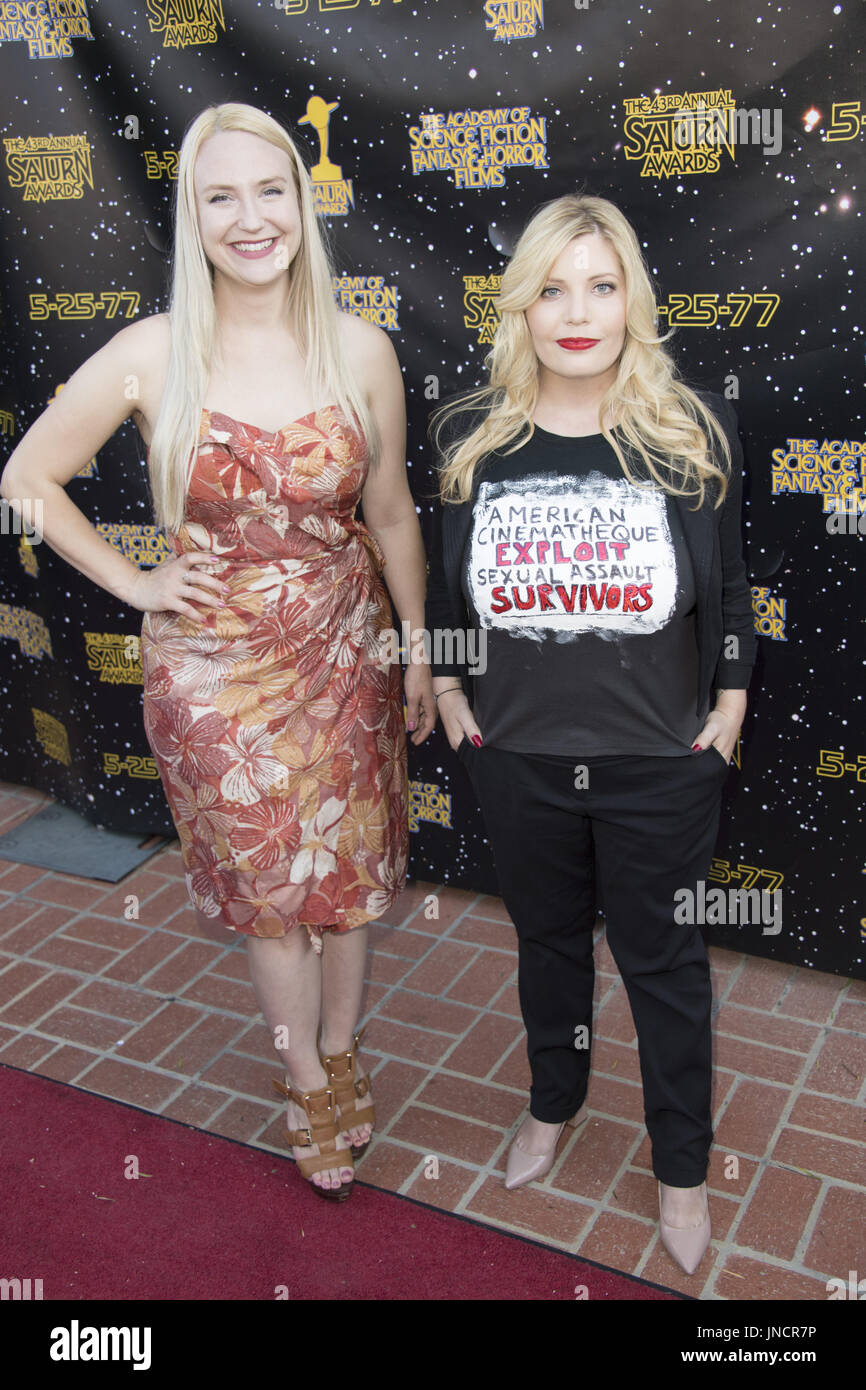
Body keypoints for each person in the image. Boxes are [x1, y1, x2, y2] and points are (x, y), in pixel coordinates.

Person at [0, 102, 435, 1202]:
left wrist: (421, 651)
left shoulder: (359, 347)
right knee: (270, 892)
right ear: (192, 219)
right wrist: (137, 580)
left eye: (269, 190)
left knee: (344, 883)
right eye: (220, 197)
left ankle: (342, 1051)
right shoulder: (152, 354)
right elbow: (24, 482)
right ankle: (301, 1077)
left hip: (347, 652)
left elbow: (388, 514)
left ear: (301, 201)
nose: (251, 219)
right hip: (213, 673)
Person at [425, 192, 756, 1274]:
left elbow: (732, 591)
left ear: (631, 302)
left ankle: (681, 1172)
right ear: (520, 305)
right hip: (516, 759)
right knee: (547, 950)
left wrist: (725, 712)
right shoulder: (472, 438)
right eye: (552, 288)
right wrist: (455, 696)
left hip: (659, 767)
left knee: (664, 969)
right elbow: (447, 590)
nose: (576, 312)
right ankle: (550, 1106)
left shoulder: (688, 431)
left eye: (600, 286)